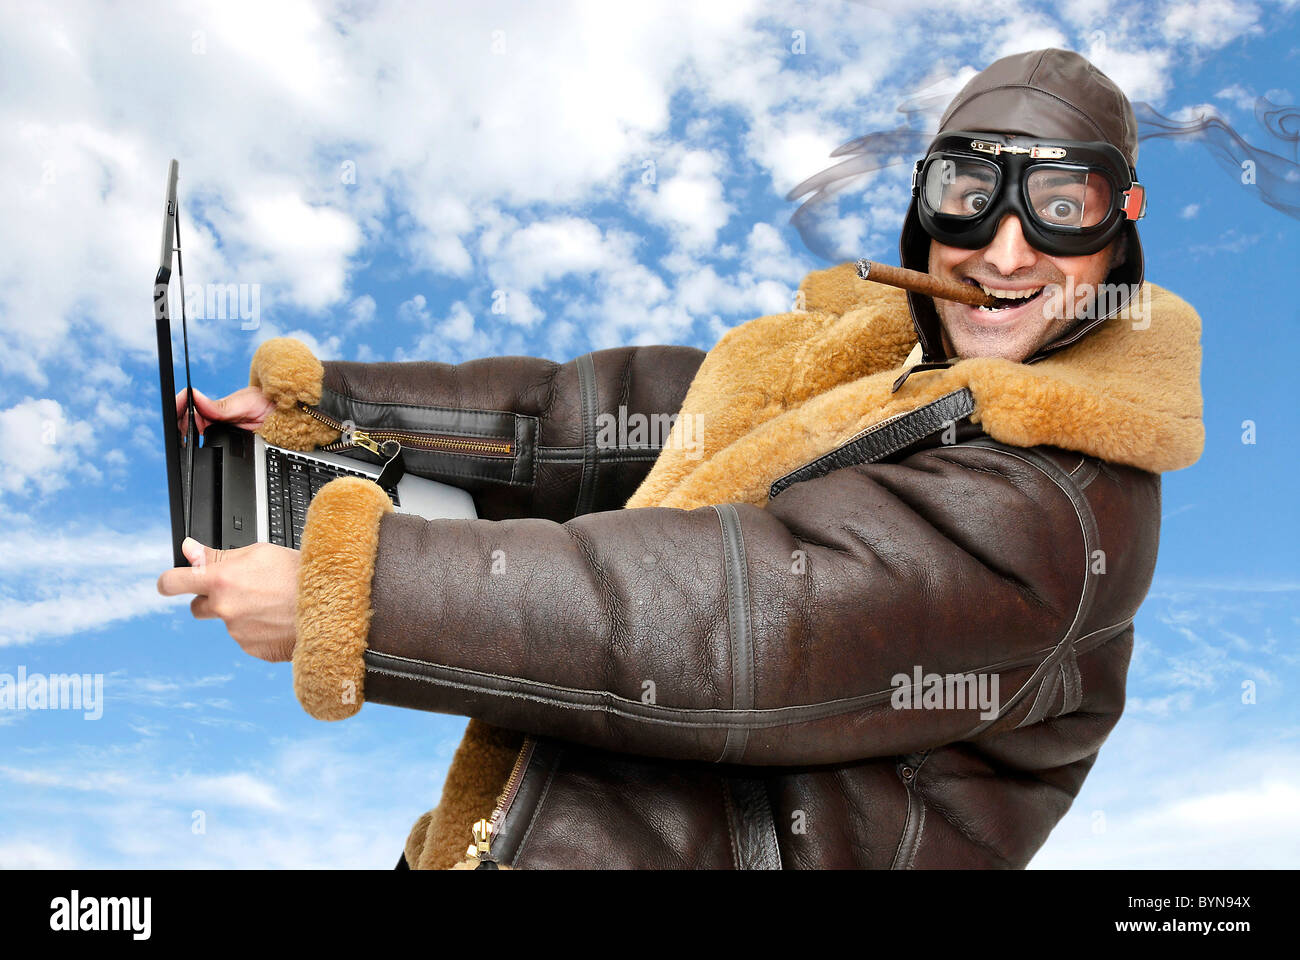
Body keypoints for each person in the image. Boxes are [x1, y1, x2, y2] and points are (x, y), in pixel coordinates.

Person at [158, 48, 1203, 869]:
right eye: (971, 192)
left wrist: (358, 596)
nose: (1006, 248)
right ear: (926, 207)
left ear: (1120, 235)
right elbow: (594, 414)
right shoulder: (864, 375)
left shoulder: (1060, 504)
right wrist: (328, 409)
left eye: (1062, 208)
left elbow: (728, 618)